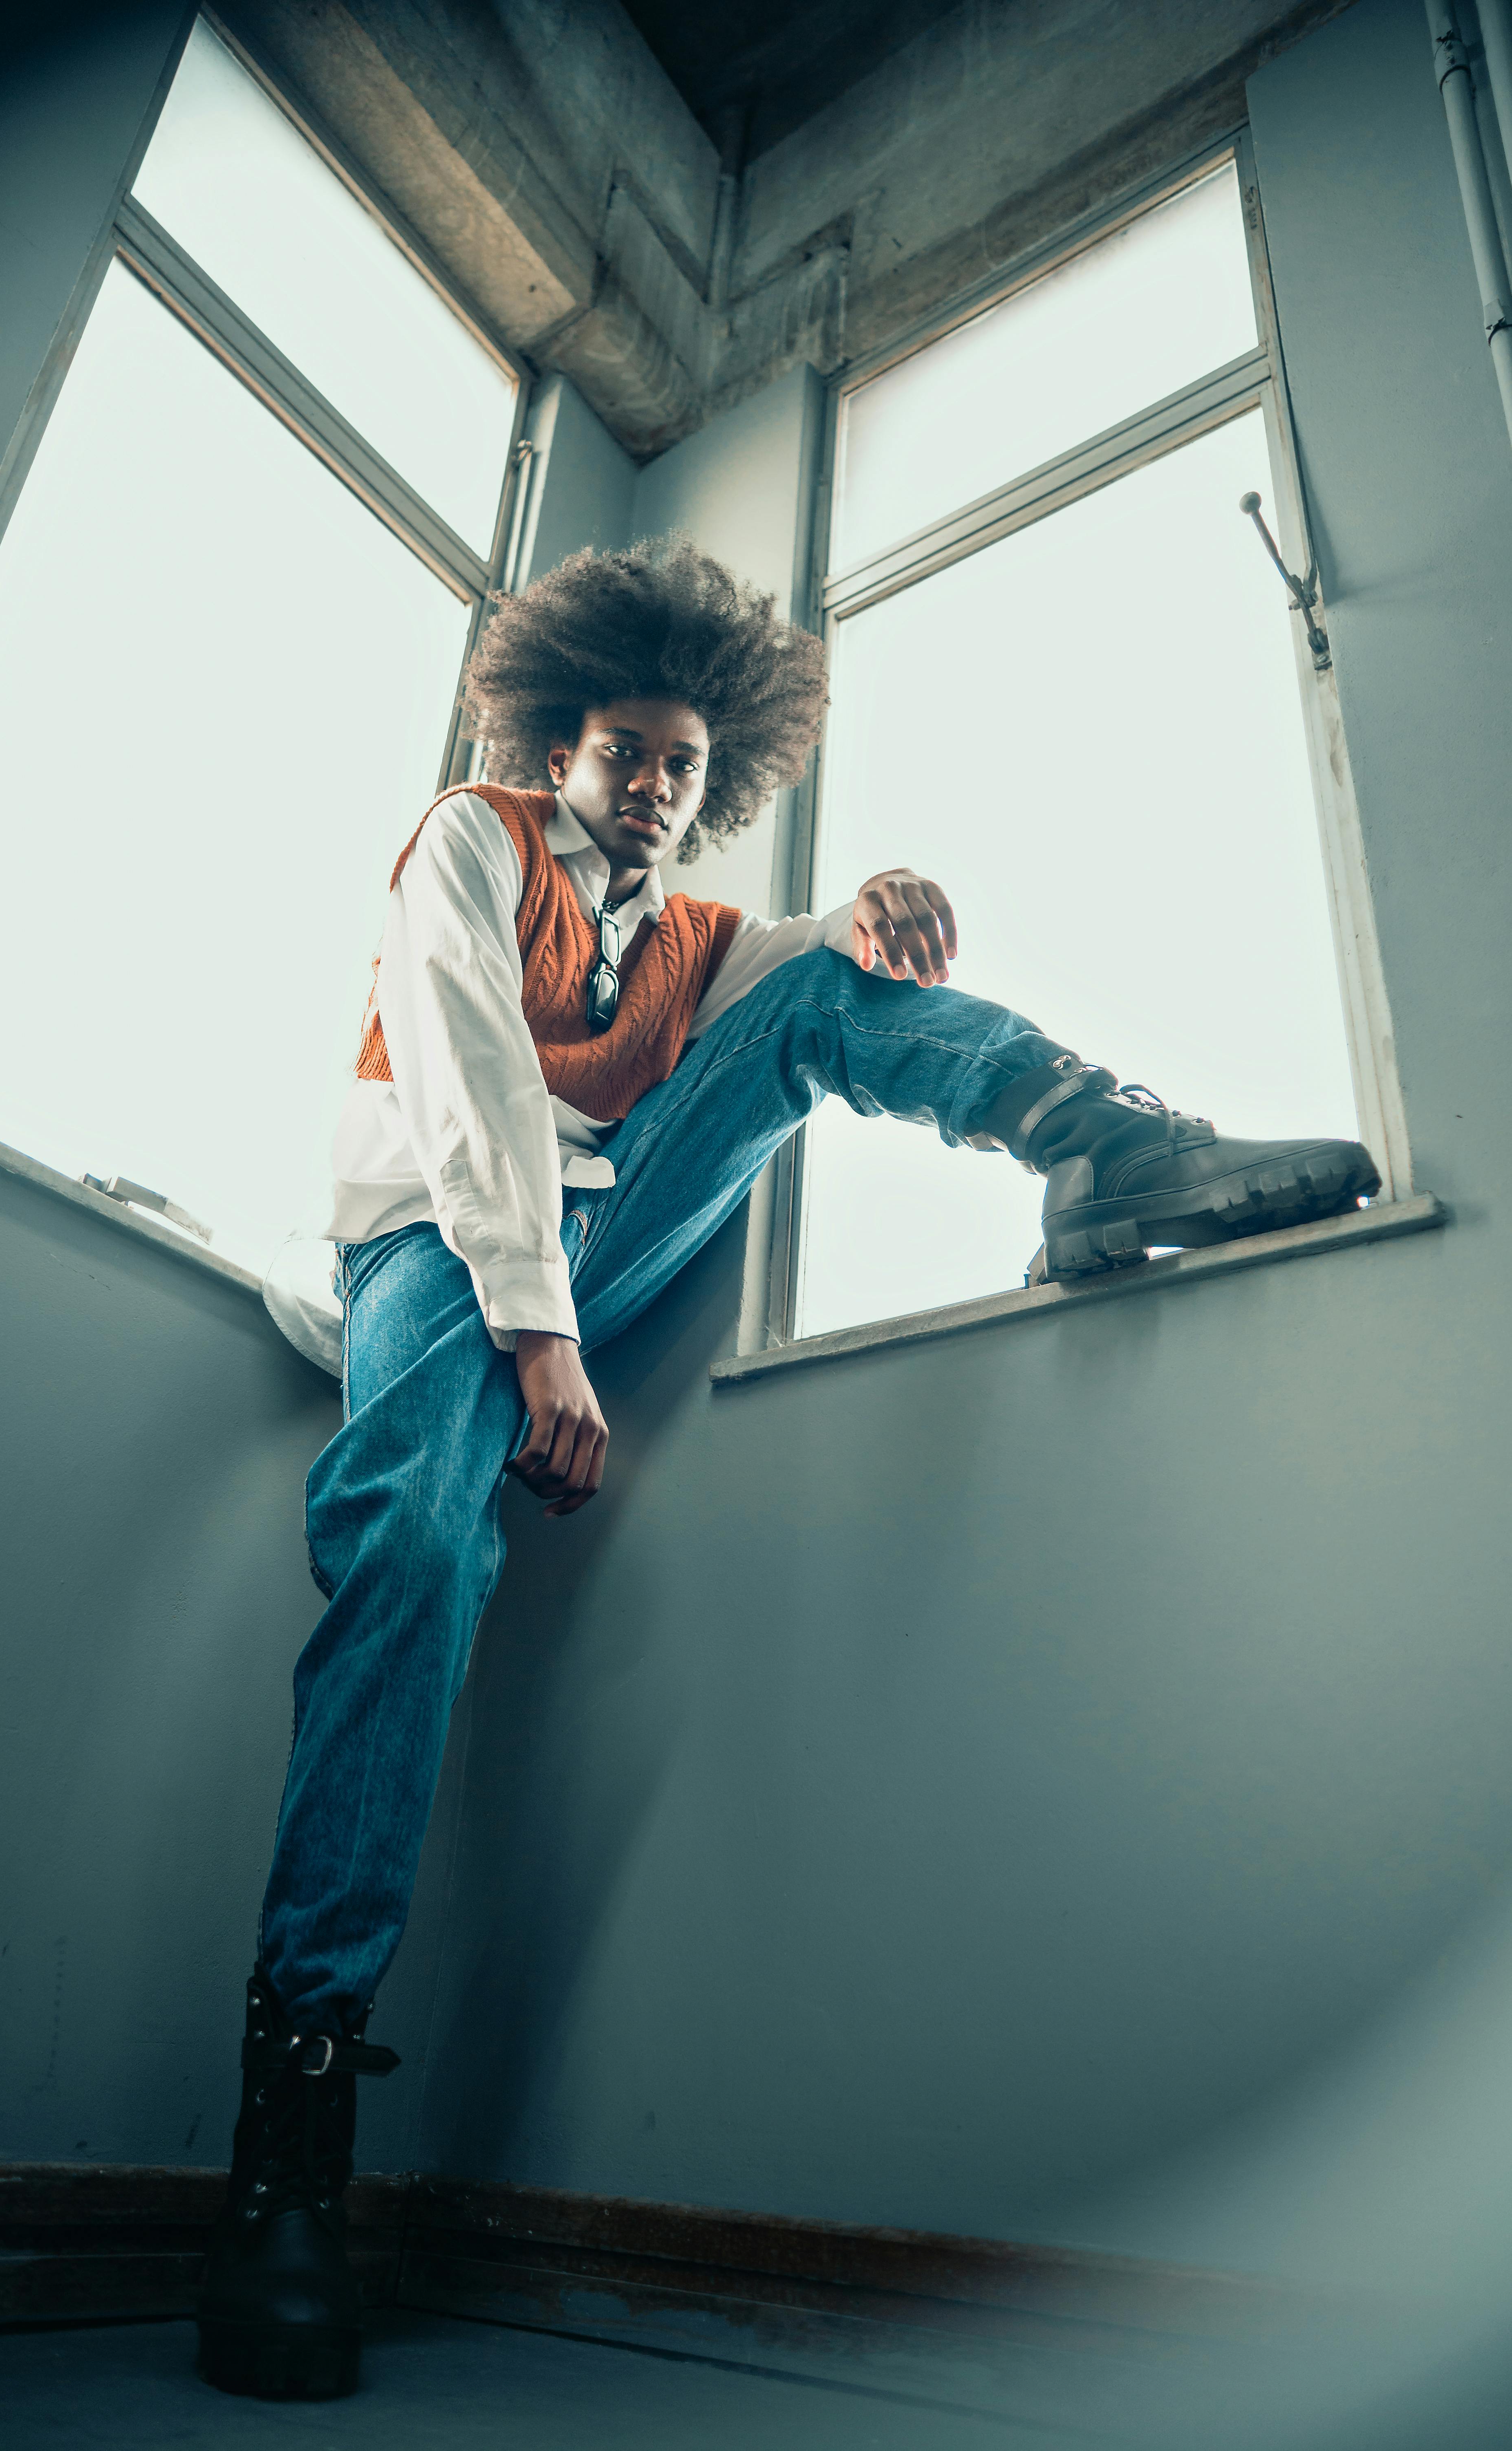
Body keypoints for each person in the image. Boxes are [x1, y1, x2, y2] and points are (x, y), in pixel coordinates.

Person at [196, 538, 1379, 2399]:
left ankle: (1097, 1144)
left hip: (601, 1235)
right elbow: (465, 1087)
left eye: (681, 762)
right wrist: (537, 1332)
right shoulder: (469, 840)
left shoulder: (686, 928)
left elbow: (808, 977)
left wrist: (877, 898)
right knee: (416, 1546)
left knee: (828, 1005)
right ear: (558, 738)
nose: (651, 781)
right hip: (439, 1239)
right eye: (623, 750)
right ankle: (288, 2153)